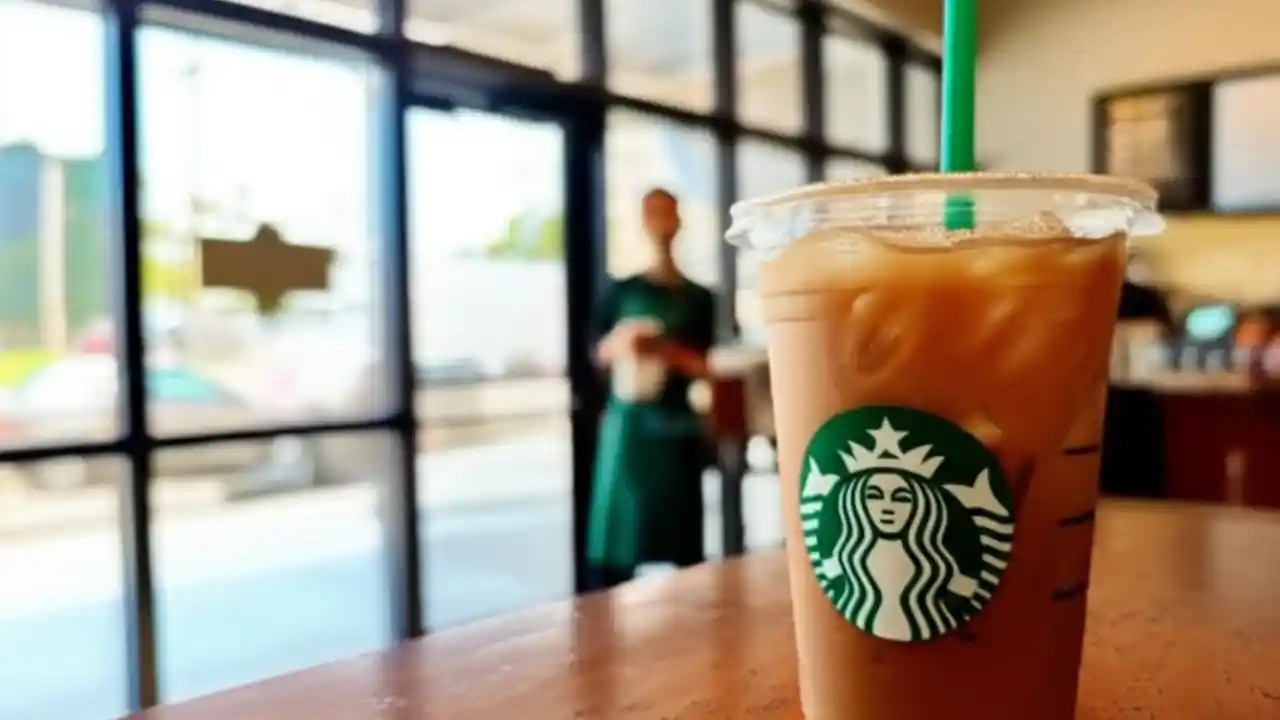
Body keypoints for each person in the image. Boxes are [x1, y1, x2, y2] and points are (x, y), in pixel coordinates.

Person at [587, 188, 716, 589]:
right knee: (618, 541)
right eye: (653, 214)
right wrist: (626, 343)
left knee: (682, 541)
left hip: (676, 428)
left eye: (668, 214)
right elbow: (598, 352)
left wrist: (667, 351)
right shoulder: (622, 292)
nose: (662, 223)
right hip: (630, 431)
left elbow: (709, 365)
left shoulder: (699, 299)